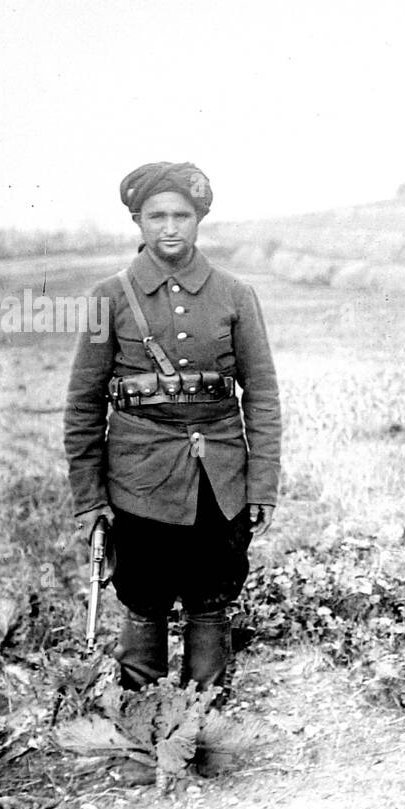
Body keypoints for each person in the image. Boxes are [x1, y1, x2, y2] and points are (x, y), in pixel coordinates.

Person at [64, 162, 282, 699]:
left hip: (219, 478)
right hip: (138, 480)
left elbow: (262, 396)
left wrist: (262, 485)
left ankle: (203, 718)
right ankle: (144, 720)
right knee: (144, 599)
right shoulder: (108, 297)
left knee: (212, 598)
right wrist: (90, 499)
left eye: (181, 215)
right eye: (156, 216)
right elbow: (83, 405)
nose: (169, 227)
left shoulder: (235, 294)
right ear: (137, 221)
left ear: (199, 218)